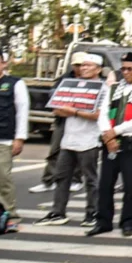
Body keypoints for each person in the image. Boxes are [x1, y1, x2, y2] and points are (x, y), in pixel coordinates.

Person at [88, 51, 132, 237]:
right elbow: (103, 113)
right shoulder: (112, 89)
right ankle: (103, 221)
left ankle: (128, 222)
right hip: (110, 142)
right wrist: (108, 137)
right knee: (105, 185)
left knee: (131, 186)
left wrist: (115, 132)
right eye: (123, 68)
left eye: (129, 69)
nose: (125, 72)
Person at [34, 53, 105, 228]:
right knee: (61, 177)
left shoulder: (104, 89)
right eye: (82, 65)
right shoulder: (71, 85)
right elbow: (57, 109)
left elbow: (98, 115)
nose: (84, 68)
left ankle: (92, 213)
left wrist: (73, 111)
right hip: (68, 139)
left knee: (90, 179)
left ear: (98, 69)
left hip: (89, 140)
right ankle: (57, 212)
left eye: (89, 65)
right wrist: (77, 111)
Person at [31, 51, 88, 195]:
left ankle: (75, 180)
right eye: (77, 65)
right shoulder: (64, 79)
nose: (80, 68)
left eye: (83, 65)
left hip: (83, 121)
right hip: (62, 120)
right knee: (55, 150)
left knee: (79, 151)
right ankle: (48, 180)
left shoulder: (93, 81)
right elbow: (54, 100)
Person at [0, 46, 27, 231]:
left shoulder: (15, 83)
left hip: (2, 140)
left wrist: (19, 138)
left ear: (3, 63)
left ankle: (11, 217)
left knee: (1, 179)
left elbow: (22, 111)